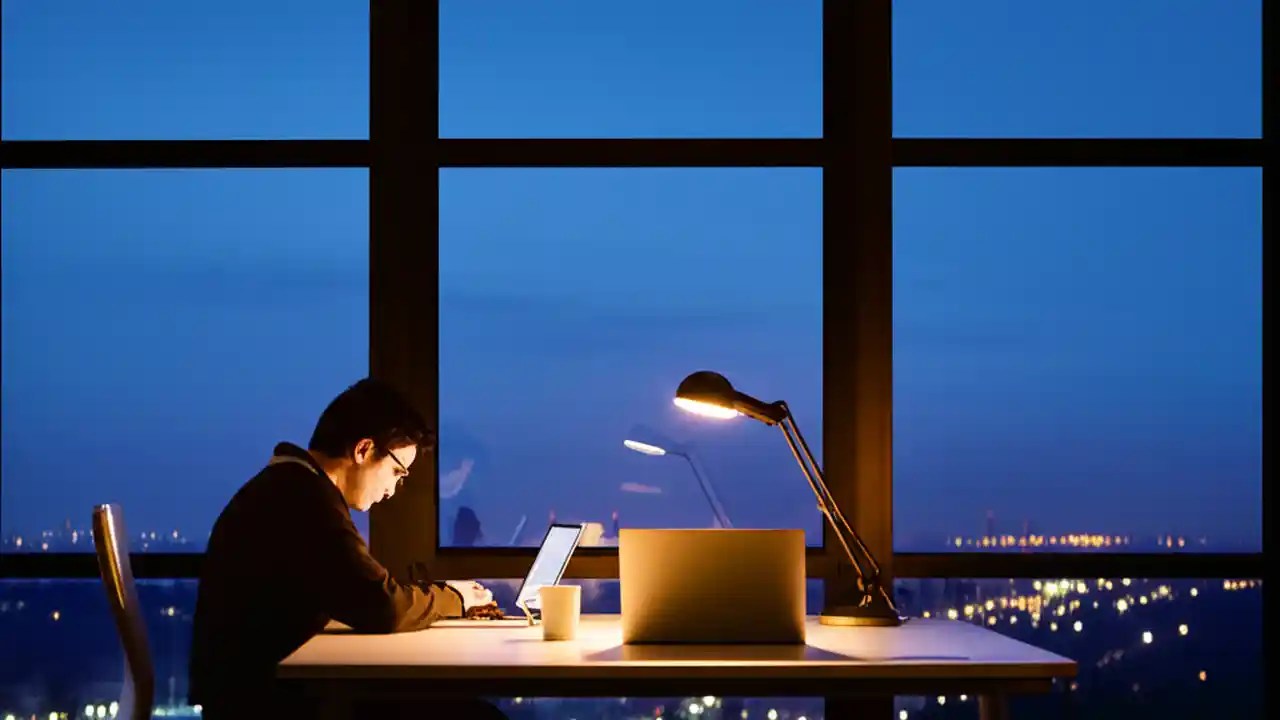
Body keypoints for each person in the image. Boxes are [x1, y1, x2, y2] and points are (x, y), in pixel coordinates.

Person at [189, 378, 505, 718]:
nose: (393, 490)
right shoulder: (304, 501)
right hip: (266, 703)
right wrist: (455, 598)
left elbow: (363, 591)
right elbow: (382, 604)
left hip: (263, 690)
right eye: (397, 472)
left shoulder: (292, 485)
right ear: (363, 450)